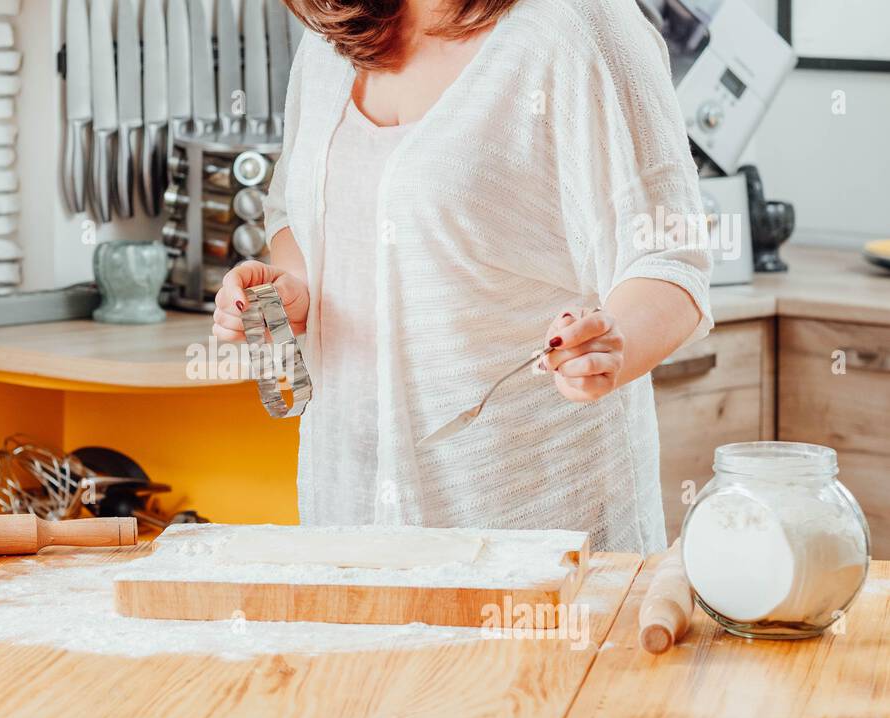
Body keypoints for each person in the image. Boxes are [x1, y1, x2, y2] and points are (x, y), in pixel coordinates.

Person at [212, 0, 714, 553]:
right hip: (346, 522)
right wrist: (290, 288)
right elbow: (295, 215)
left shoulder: (578, 27)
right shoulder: (334, 41)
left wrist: (611, 346)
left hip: (536, 534)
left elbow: (669, 258)